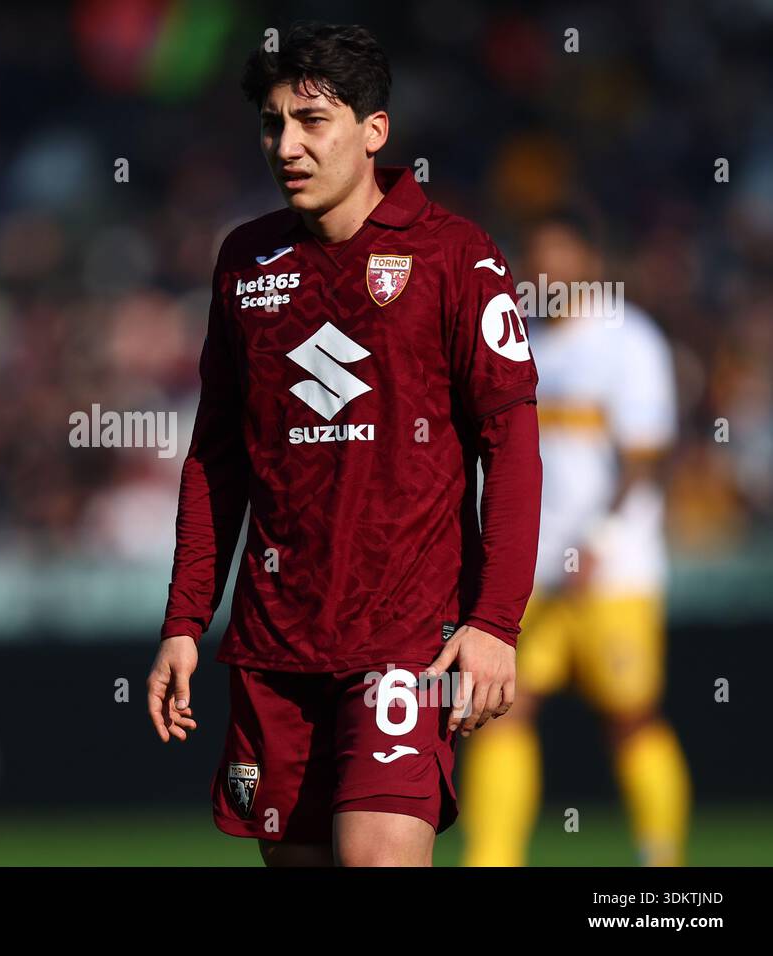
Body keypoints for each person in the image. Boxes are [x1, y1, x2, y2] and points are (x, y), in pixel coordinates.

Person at [145, 21, 542, 866]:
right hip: (275, 642)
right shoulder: (246, 264)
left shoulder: (455, 258)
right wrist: (186, 621)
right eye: (272, 123)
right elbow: (217, 458)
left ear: (374, 130)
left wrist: (496, 623)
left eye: (311, 121)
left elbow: (512, 446)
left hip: (406, 634)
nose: (286, 144)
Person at [459, 207, 690, 866]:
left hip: (612, 570)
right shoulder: (516, 339)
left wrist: (602, 536)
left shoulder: (628, 341)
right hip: (527, 570)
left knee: (631, 713)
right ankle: (492, 859)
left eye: (561, 255)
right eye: (536, 256)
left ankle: (661, 860)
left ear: (590, 261)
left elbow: (646, 457)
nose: (547, 270)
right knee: (503, 709)